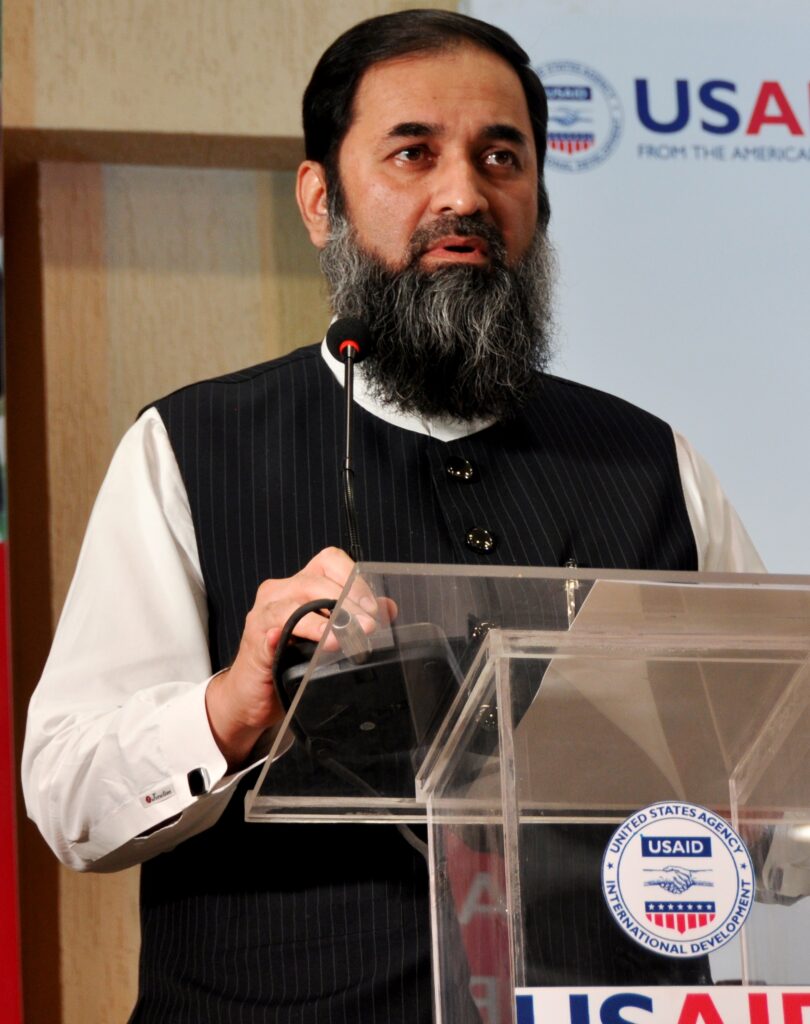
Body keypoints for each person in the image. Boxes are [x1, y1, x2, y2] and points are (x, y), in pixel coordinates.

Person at [22, 9, 764, 1022]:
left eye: (501, 157)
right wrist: (232, 705)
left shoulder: (652, 464)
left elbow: (774, 762)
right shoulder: (190, 447)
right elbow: (68, 800)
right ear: (319, 199)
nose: (465, 194)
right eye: (413, 153)